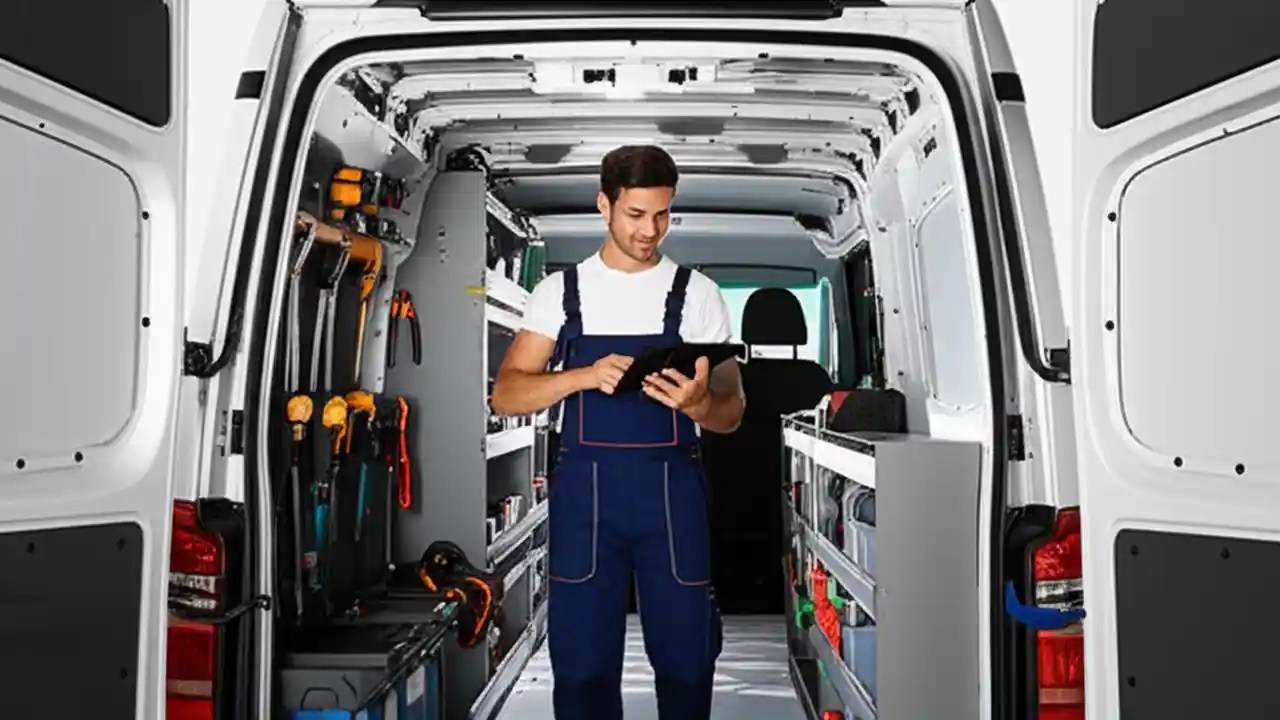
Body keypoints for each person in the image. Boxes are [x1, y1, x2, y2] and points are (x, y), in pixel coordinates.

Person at [490, 144, 746, 720]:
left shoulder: (699, 295)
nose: (650, 230)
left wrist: (701, 405)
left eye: (662, 214)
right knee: (581, 669)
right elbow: (506, 394)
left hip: (672, 498)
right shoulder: (561, 293)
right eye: (635, 214)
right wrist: (580, 376)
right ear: (604, 205)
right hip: (588, 501)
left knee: (686, 661)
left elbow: (733, 413)